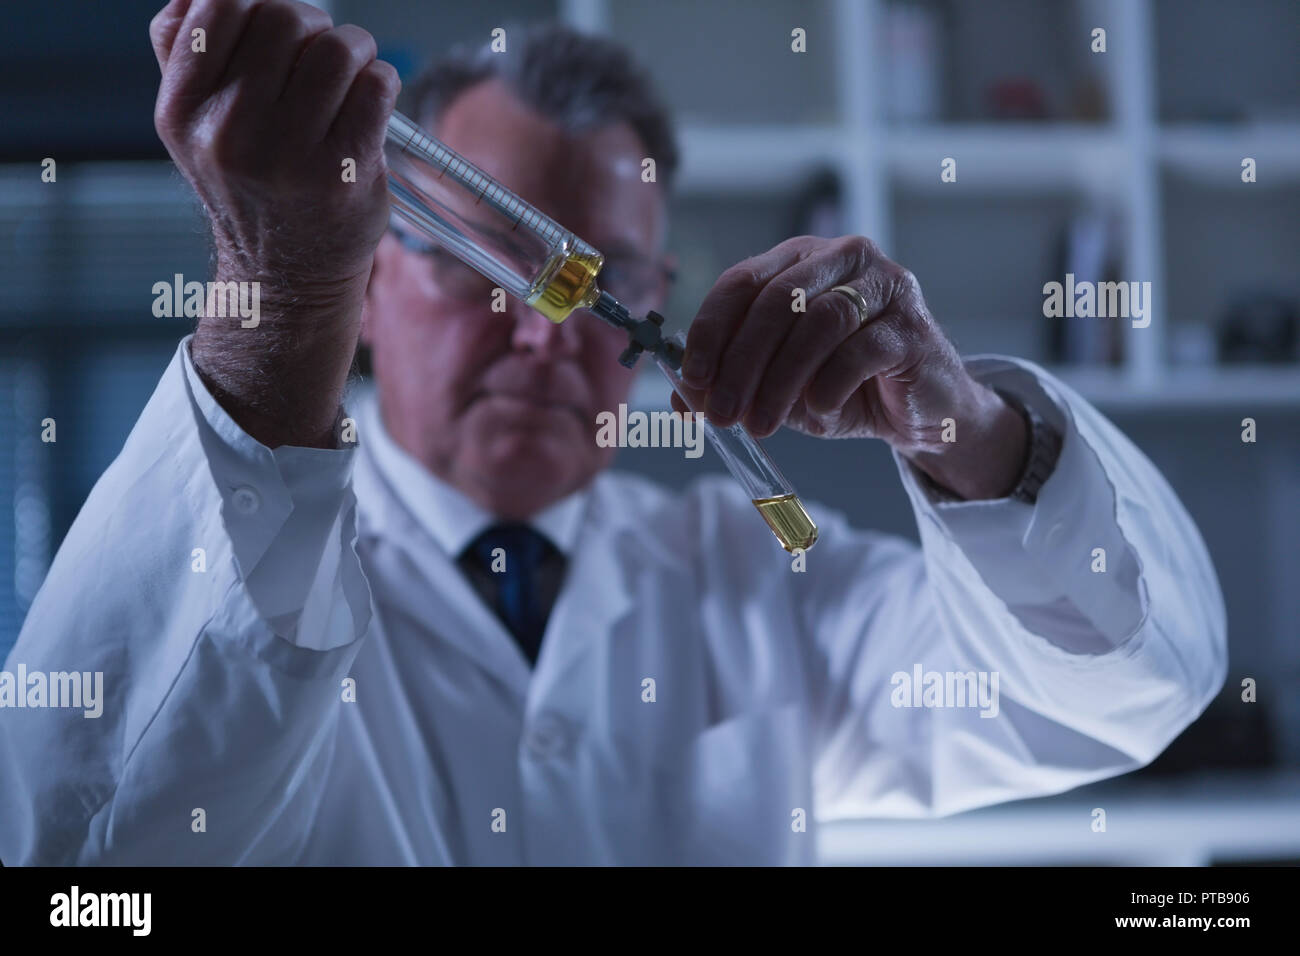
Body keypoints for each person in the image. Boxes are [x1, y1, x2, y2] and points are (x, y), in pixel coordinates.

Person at [0, 1, 1225, 866]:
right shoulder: (240, 552)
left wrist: (958, 420)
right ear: (369, 281)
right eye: (484, 270)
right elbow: (84, 856)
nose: (545, 335)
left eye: (597, 285)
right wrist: (273, 313)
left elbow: (1127, 694)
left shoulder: (758, 582)